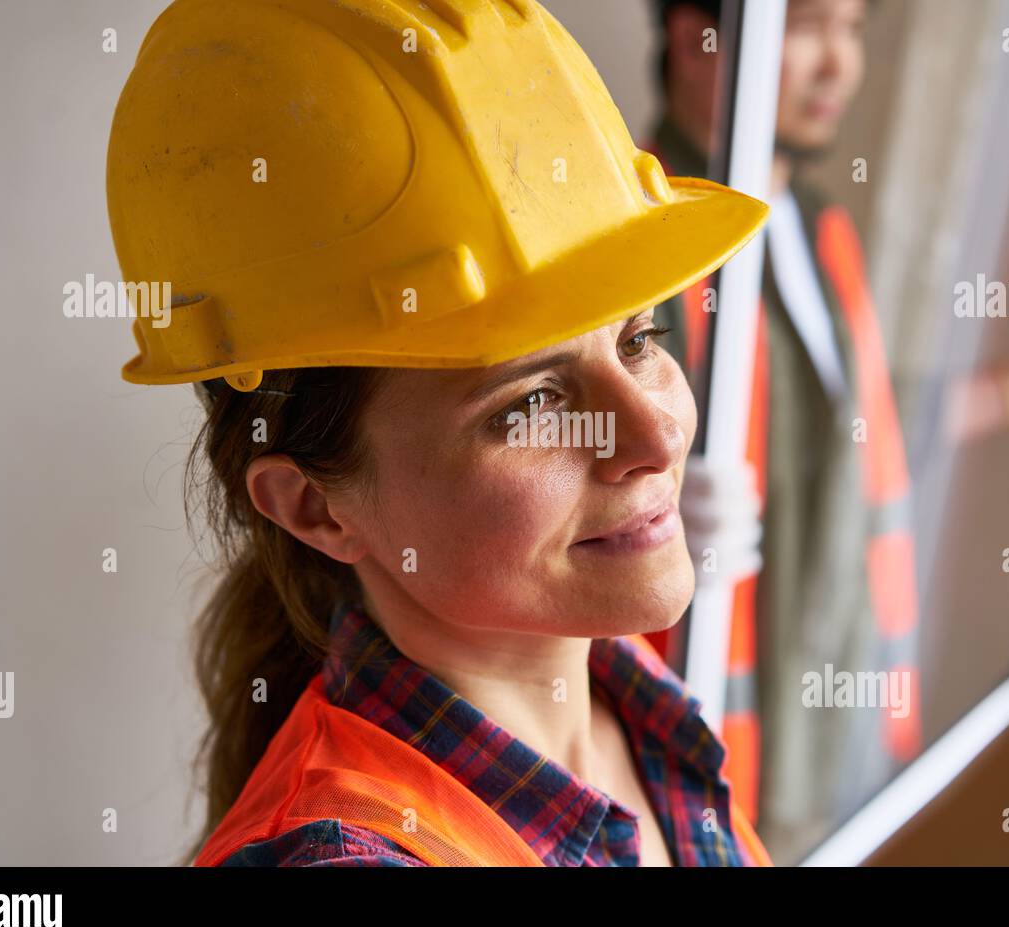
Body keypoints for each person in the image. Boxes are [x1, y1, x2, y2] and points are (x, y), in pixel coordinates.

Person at [105, 0, 773, 866]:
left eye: (638, 340)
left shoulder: (639, 711)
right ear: (315, 506)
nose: (653, 432)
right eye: (530, 404)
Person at [648, 0, 919, 858]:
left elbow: (861, 467)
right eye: (806, 25)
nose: (840, 65)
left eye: (854, 28)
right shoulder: (642, 246)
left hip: (839, 754)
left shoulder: (821, 229)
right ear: (699, 39)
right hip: (712, 776)